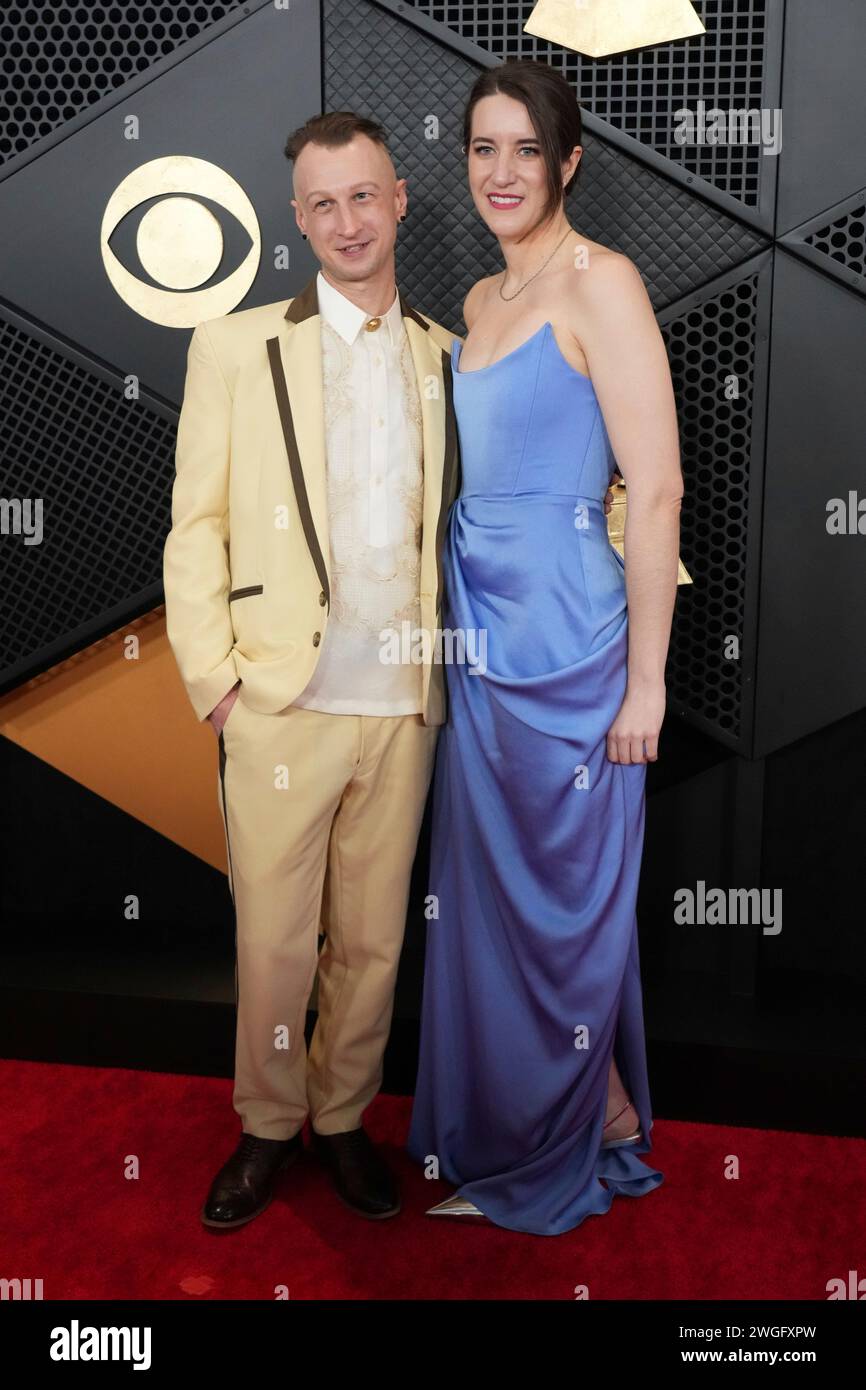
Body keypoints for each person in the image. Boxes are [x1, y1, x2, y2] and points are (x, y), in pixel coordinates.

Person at [163, 112, 463, 1228]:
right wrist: (219, 685)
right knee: (275, 942)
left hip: (402, 705)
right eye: (322, 203)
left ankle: (341, 1120)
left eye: (364, 196)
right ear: (298, 219)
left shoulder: (446, 352)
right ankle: (266, 1124)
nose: (347, 221)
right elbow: (194, 525)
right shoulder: (234, 346)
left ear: (396, 202)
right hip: (280, 701)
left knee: (375, 941)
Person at [407, 59, 683, 1235]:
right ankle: (589, 1114)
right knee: (491, 899)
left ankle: (575, 1133)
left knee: (559, 903)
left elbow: (657, 489)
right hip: (477, 638)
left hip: (568, 646)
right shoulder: (475, 302)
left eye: (526, 149)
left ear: (567, 163)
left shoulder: (598, 282)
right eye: (483, 148)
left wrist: (647, 682)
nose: (502, 171)